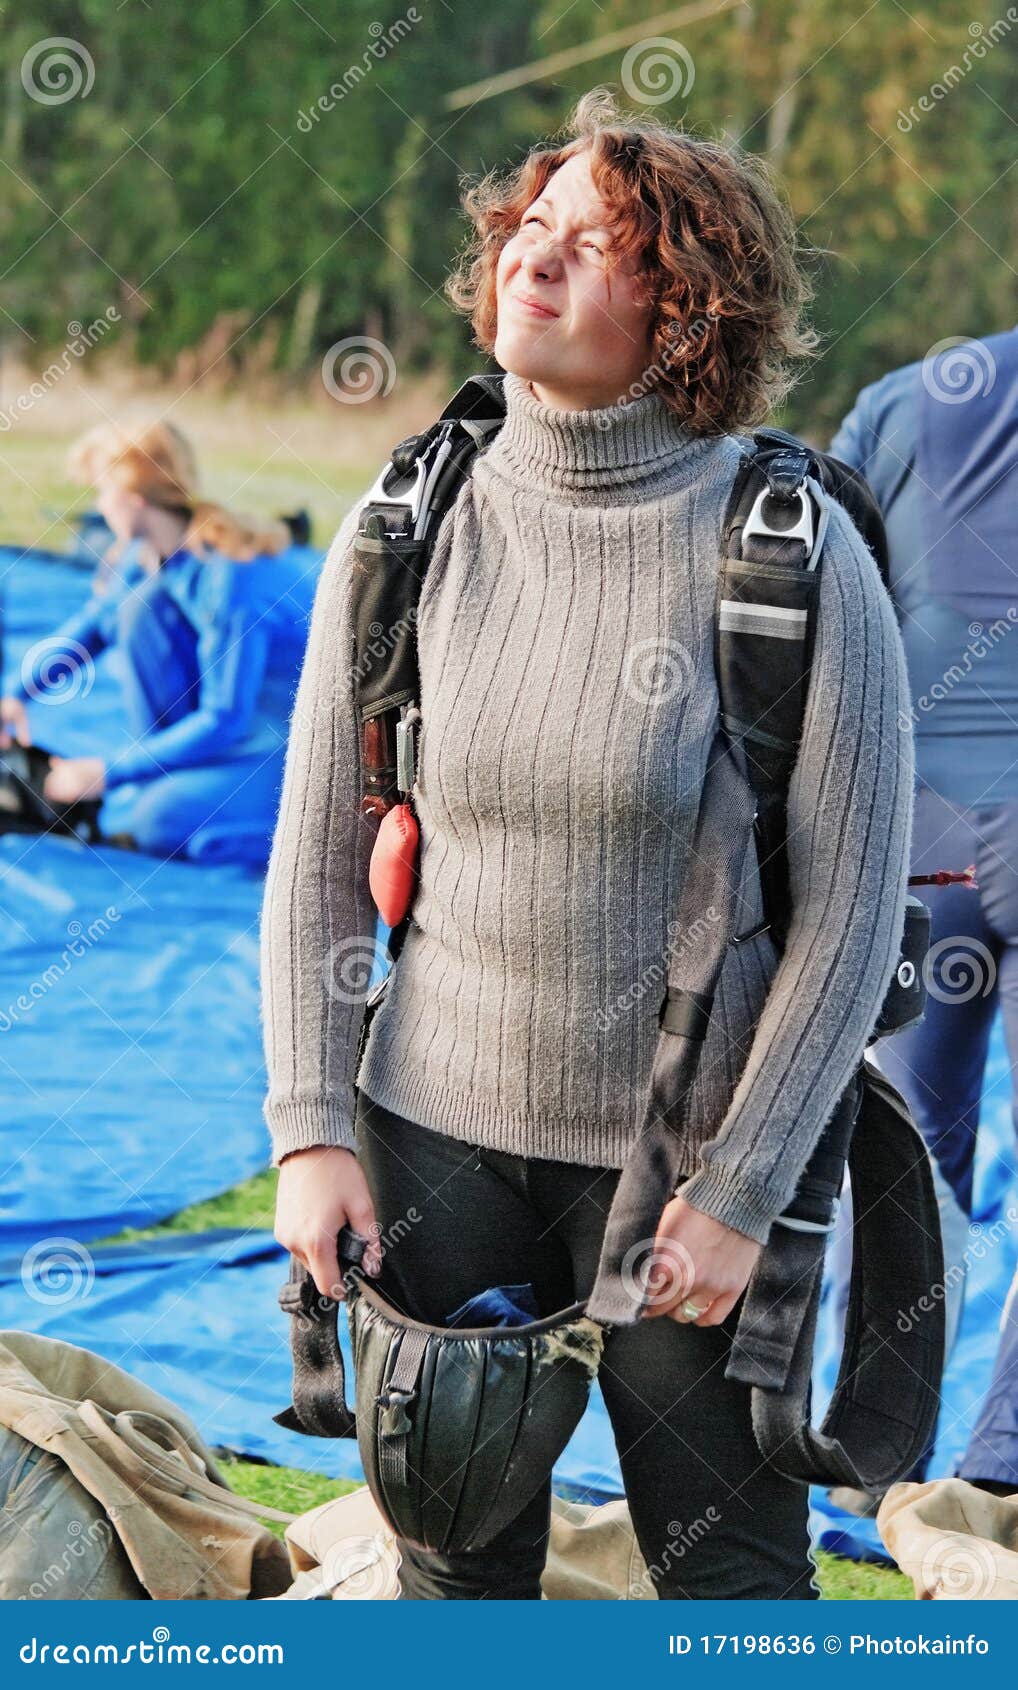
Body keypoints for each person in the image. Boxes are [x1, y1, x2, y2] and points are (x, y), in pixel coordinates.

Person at [261, 89, 914, 1600]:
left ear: (684, 304)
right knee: (451, 1562)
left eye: (595, 245)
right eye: (528, 231)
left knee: (732, 1579)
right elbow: (310, 858)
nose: (534, 264)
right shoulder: (406, 525)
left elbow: (849, 914)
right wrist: (311, 1128)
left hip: (682, 1168)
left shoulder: (791, 557)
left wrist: (742, 1189)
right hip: (431, 1137)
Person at [830, 326, 1018, 1495]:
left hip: (924, 833)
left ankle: (865, 1444)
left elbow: (827, 612)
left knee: (893, 1149)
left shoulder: (909, 399)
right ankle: (999, 1475)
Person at [0, 419, 320, 867]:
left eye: (100, 492)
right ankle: (178, 773)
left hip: (295, 737)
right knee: (136, 609)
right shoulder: (150, 548)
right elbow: (94, 625)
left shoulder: (230, 580)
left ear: (133, 499)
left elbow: (224, 720)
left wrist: (106, 771)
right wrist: (16, 693)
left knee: (155, 821)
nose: (98, 505)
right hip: (238, 722)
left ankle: (311, 821)